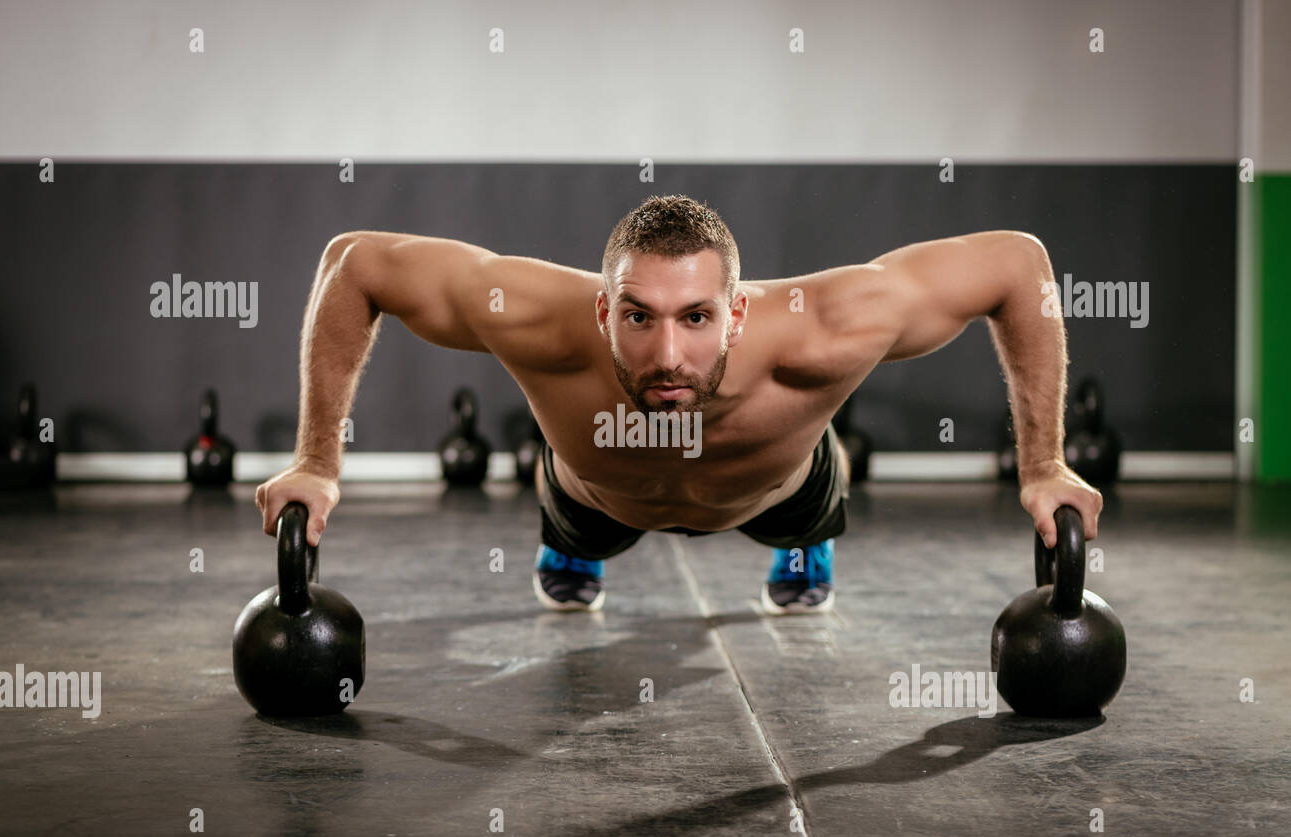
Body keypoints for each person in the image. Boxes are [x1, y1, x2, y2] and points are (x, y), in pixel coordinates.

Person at [255, 194, 1102, 614]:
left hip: (778, 492)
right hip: (594, 493)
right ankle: (575, 547)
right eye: (638, 317)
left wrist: (1045, 464)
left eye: (696, 318)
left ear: (735, 310)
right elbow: (354, 263)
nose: (667, 355)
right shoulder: (537, 317)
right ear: (602, 309)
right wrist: (317, 461)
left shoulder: (830, 328)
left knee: (807, 493)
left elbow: (1017, 266)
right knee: (577, 503)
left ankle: (804, 549)